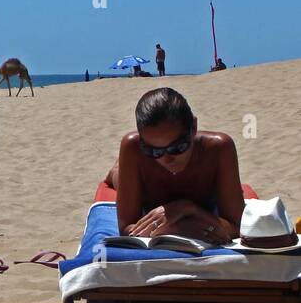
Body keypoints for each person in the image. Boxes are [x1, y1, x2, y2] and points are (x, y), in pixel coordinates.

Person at [104, 87, 244, 244]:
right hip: (144, 189)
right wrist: (184, 226)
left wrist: (187, 208)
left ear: (194, 127)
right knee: (118, 178)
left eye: (177, 148)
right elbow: (127, 229)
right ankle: (116, 170)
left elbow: (237, 227)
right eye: (153, 151)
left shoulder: (219, 148)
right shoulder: (132, 147)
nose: (166, 159)